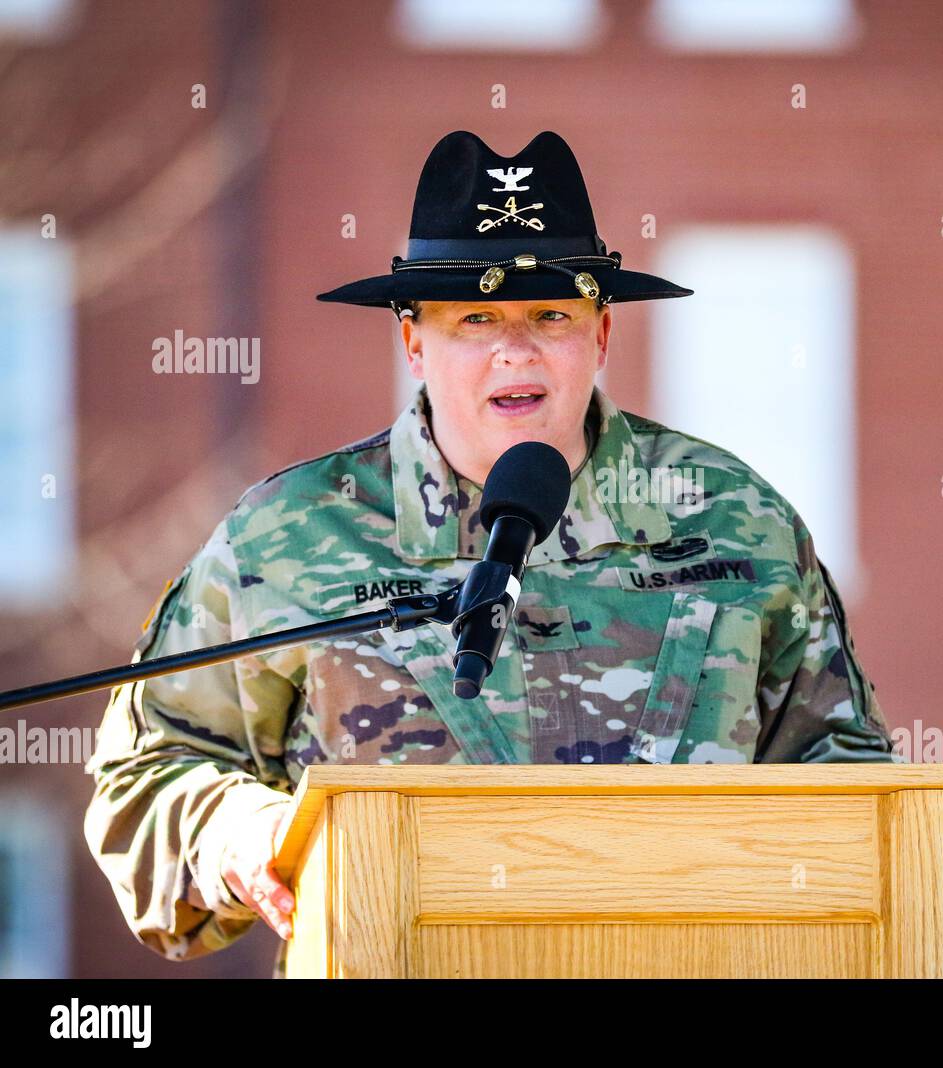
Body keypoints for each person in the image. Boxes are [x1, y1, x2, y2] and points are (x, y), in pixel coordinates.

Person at [84, 130, 895, 975]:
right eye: (476, 316)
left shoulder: (738, 522)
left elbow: (852, 783)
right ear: (413, 342)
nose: (518, 348)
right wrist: (244, 837)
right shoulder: (287, 538)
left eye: (552, 314)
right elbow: (144, 780)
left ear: (601, 333)